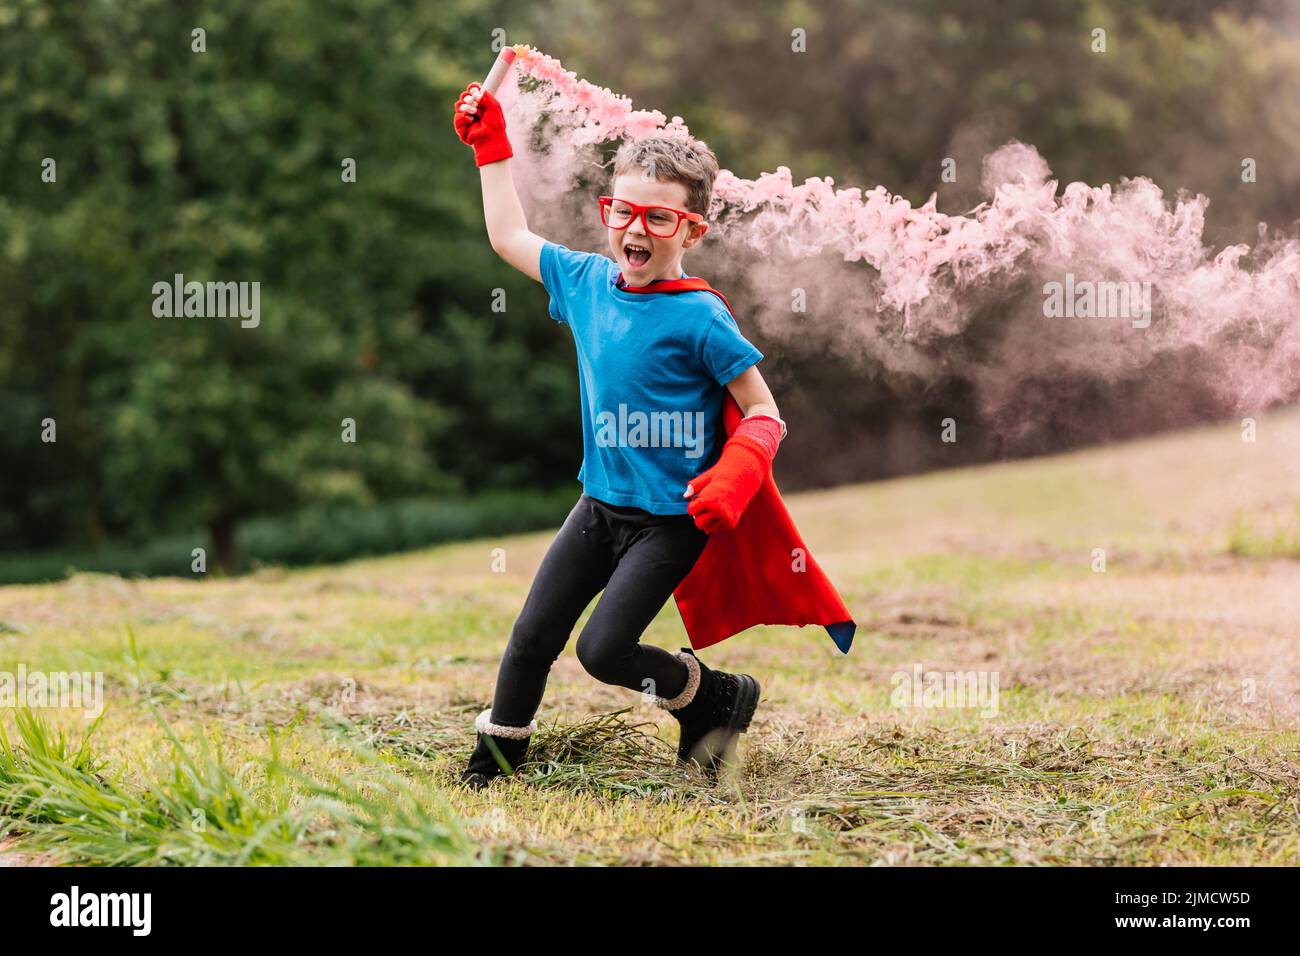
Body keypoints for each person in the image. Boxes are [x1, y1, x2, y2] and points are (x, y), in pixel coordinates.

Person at [452, 80, 789, 787]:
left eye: (659, 219)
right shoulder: (584, 282)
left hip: (669, 521)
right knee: (532, 637)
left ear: (692, 231)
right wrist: (492, 149)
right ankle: (495, 762)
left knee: (604, 651)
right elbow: (507, 236)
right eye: (624, 211)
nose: (636, 229)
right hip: (598, 506)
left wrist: (734, 473)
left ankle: (717, 697)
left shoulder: (701, 319)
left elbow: (763, 411)